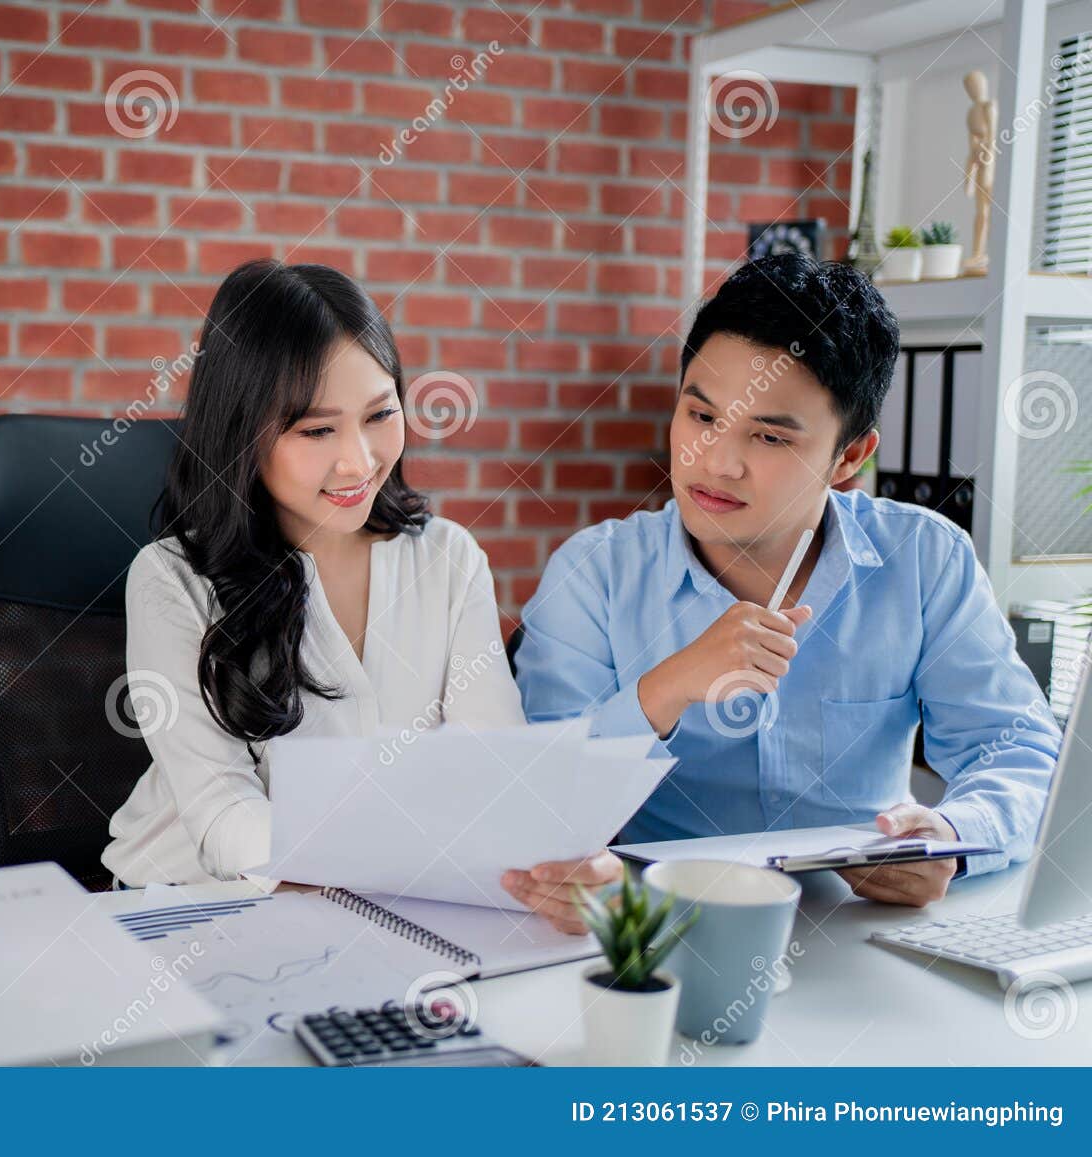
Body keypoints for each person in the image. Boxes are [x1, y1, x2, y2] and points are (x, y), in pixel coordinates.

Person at [512, 253, 1059, 910]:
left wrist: (952, 832)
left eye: (768, 437)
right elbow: (534, 791)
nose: (717, 462)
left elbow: (1020, 749)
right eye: (701, 416)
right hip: (663, 932)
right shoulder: (594, 573)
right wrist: (671, 685)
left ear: (850, 456)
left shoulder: (923, 558)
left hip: (862, 929)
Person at [103, 258, 618, 929]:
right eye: (317, 430)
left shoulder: (447, 558)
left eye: (379, 415)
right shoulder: (171, 579)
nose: (359, 460)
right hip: (192, 904)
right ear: (242, 432)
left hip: (381, 904)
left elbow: (493, 764)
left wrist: (557, 861)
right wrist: (384, 861)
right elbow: (222, 814)